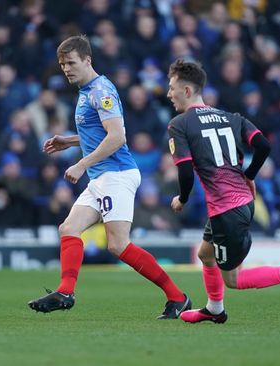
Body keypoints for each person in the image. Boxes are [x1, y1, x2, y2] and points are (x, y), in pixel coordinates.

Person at [28, 35, 191, 319]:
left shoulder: (100, 90)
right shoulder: (85, 91)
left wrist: (81, 164)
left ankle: (178, 297)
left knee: (117, 244)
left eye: (71, 63)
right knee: (68, 229)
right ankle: (65, 292)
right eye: (62, 64)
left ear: (87, 60)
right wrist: (70, 141)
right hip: (102, 175)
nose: (66, 69)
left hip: (115, 174)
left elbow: (117, 137)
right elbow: (99, 133)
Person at [165, 59, 280, 324]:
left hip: (227, 211)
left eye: (172, 88)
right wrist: (248, 176)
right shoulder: (231, 118)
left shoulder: (180, 124)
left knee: (233, 279)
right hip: (238, 204)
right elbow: (264, 146)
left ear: (187, 91)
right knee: (205, 253)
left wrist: (182, 199)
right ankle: (214, 309)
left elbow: (186, 171)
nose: (168, 93)